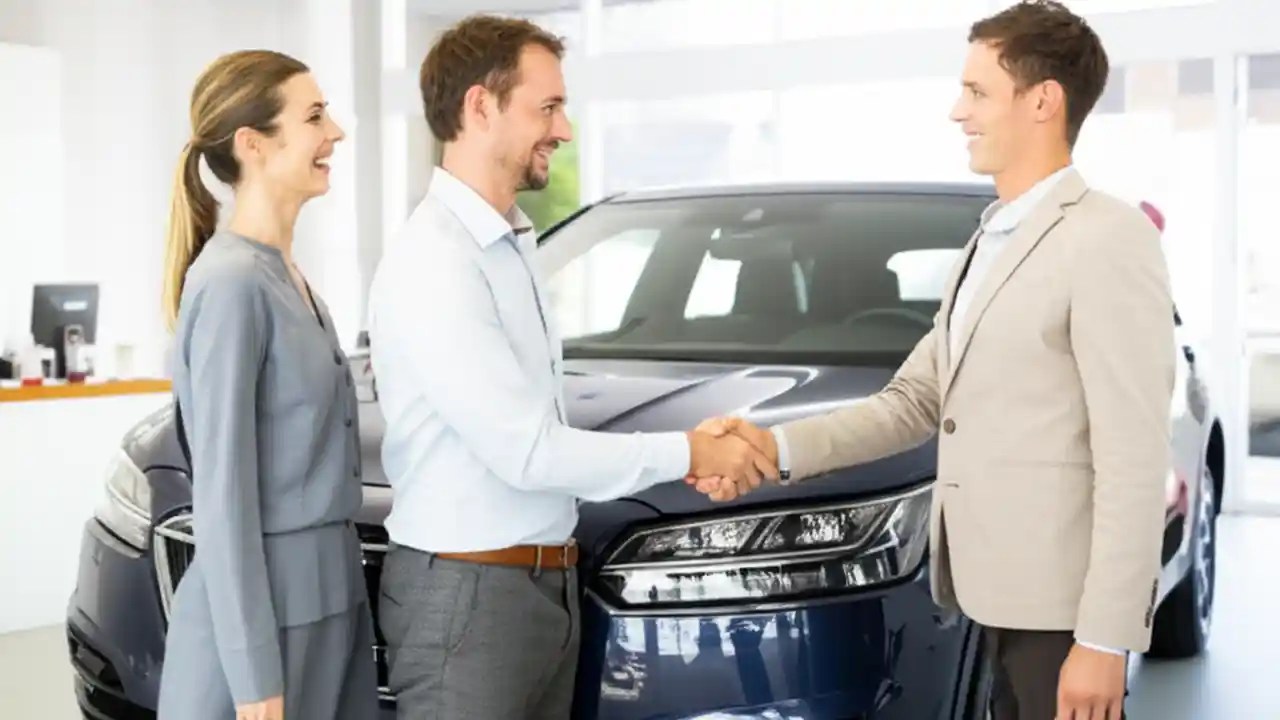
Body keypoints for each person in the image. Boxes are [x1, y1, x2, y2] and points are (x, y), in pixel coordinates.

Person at [693, 2, 1174, 719]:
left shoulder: (1108, 237)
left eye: (978, 91)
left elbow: (1134, 456)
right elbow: (913, 402)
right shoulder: (990, 240)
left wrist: (1105, 639)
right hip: (991, 598)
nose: (958, 111)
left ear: (1043, 100)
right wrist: (771, 447)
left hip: (1061, 616)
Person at [366, 14, 773, 720]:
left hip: (539, 588)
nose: (565, 129)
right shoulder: (437, 261)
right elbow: (528, 451)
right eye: (548, 107)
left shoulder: (508, 246)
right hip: (470, 599)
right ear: (481, 107)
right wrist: (691, 452)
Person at [157, 50, 378, 720]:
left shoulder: (291, 277)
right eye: (314, 117)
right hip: (266, 626)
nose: (335, 132)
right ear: (252, 144)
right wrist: (253, 673)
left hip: (332, 602)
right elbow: (223, 500)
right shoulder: (232, 283)